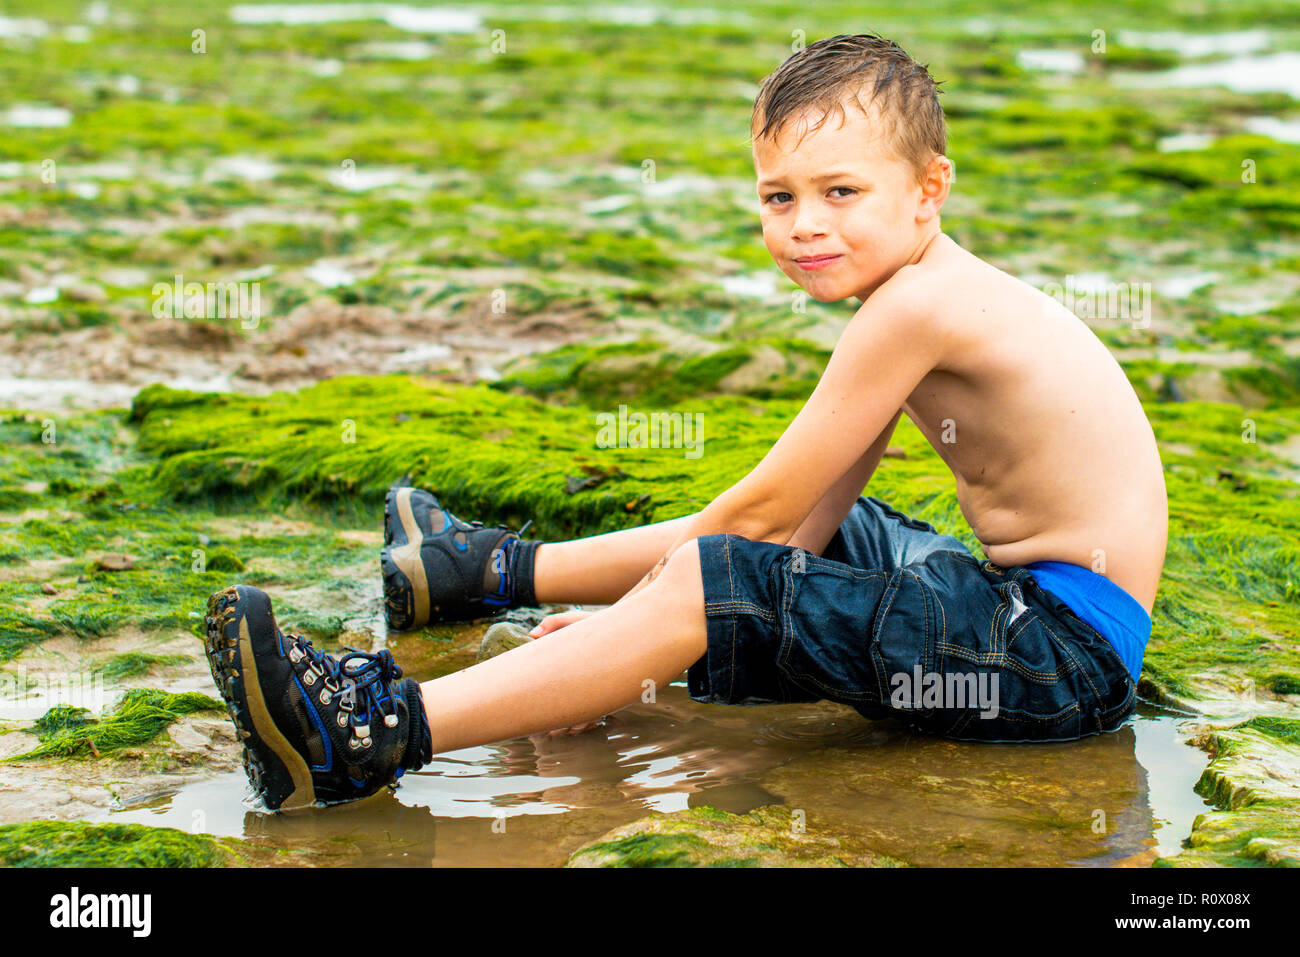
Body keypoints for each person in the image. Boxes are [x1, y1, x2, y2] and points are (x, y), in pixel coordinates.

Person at [203, 33, 1167, 811]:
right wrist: (624, 645)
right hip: (1033, 626)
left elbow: (754, 526)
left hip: (1051, 661)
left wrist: (625, 636)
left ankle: (369, 731)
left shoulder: (913, 310)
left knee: (721, 567)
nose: (804, 225)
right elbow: (811, 518)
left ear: (929, 189)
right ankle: (480, 571)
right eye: (777, 197)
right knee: (838, 539)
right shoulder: (928, 293)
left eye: (842, 192)